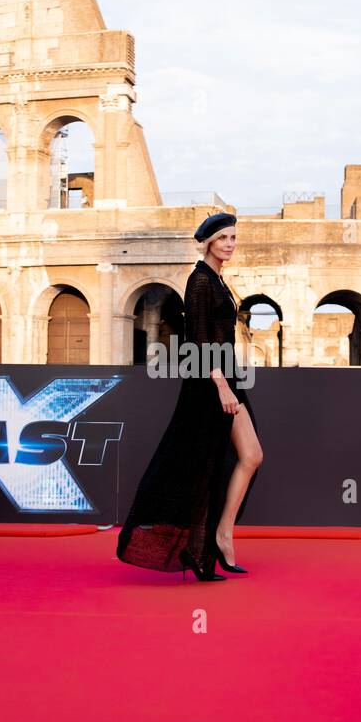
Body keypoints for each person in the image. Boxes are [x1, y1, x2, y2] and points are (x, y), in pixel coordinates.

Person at [117, 212, 264, 581]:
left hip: (224, 376)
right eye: (223, 238)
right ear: (209, 242)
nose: (230, 244)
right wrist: (221, 385)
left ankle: (221, 536)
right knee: (200, 466)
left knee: (250, 455)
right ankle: (202, 549)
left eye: (233, 238)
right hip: (209, 382)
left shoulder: (217, 279)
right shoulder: (200, 281)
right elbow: (198, 339)